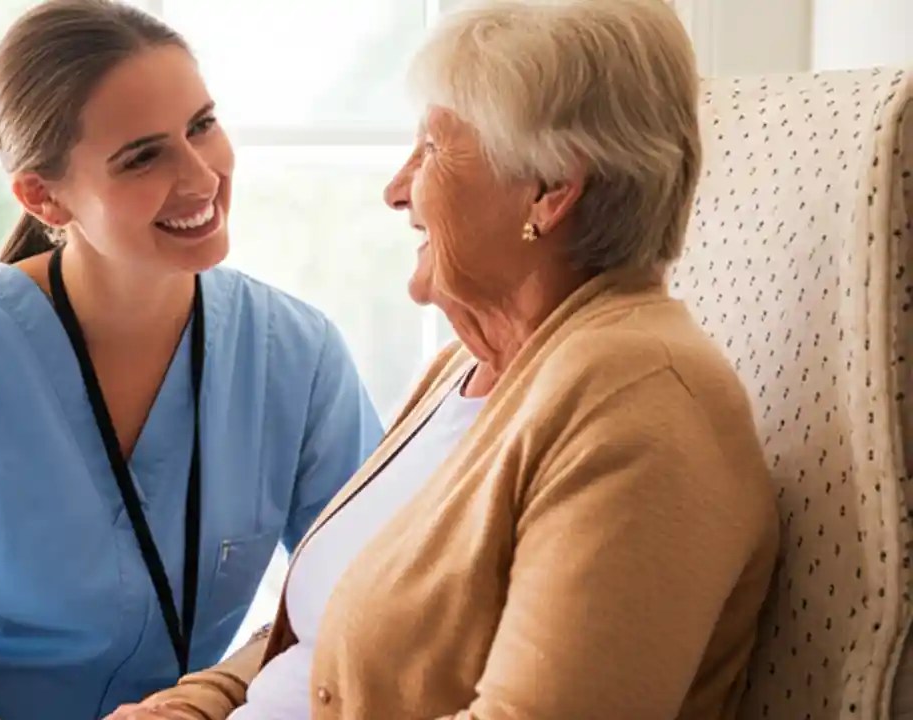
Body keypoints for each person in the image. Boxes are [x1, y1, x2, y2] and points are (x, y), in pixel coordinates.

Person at [125, 1, 780, 718]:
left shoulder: (642, 405)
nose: (397, 188)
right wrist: (193, 705)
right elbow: (331, 625)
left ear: (552, 188)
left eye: (433, 148)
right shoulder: (465, 372)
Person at [0, 1, 383, 718]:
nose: (201, 178)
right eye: (143, 156)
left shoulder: (298, 357)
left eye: (202, 125)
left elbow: (366, 602)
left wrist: (213, 699)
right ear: (43, 195)